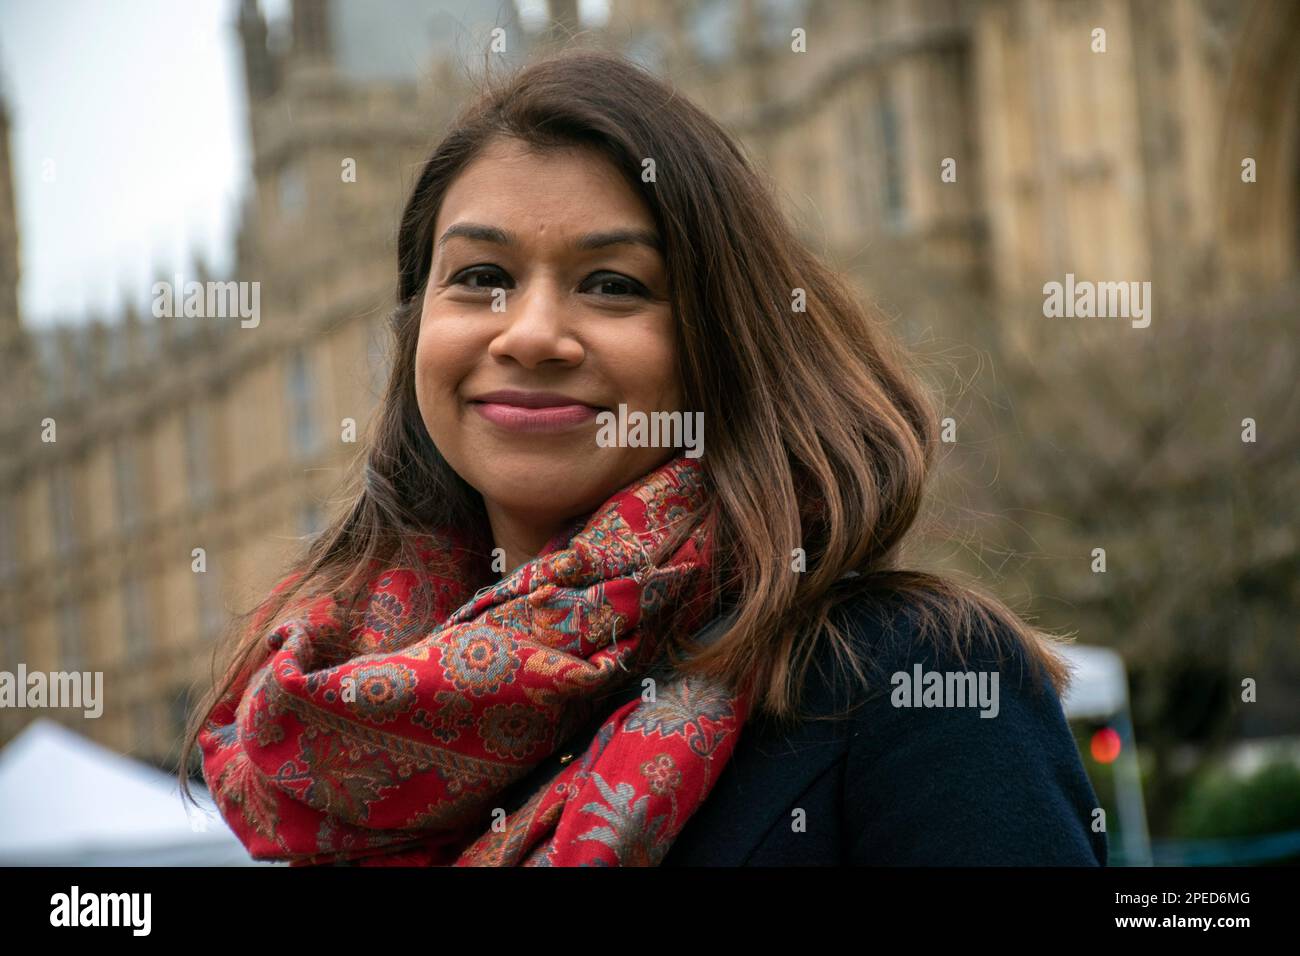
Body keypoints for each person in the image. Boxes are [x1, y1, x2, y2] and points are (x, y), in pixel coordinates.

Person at [180, 49, 1106, 867]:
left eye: (613, 285)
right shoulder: (335, 729)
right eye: (480, 278)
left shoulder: (914, 682)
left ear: (722, 339)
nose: (532, 334)